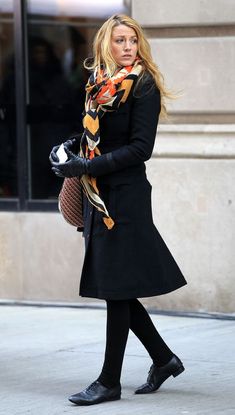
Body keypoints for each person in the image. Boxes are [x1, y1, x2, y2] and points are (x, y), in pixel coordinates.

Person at [49, 14, 187, 406]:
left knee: (116, 289)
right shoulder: (98, 86)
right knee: (119, 288)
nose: (127, 47)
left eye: (132, 40)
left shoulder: (142, 86)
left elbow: (140, 149)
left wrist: (87, 166)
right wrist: (71, 147)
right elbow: (98, 135)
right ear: (105, 45)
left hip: (124, 200)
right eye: (119, 41)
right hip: (98, 196)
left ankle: (109, 382)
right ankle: (163, 359)